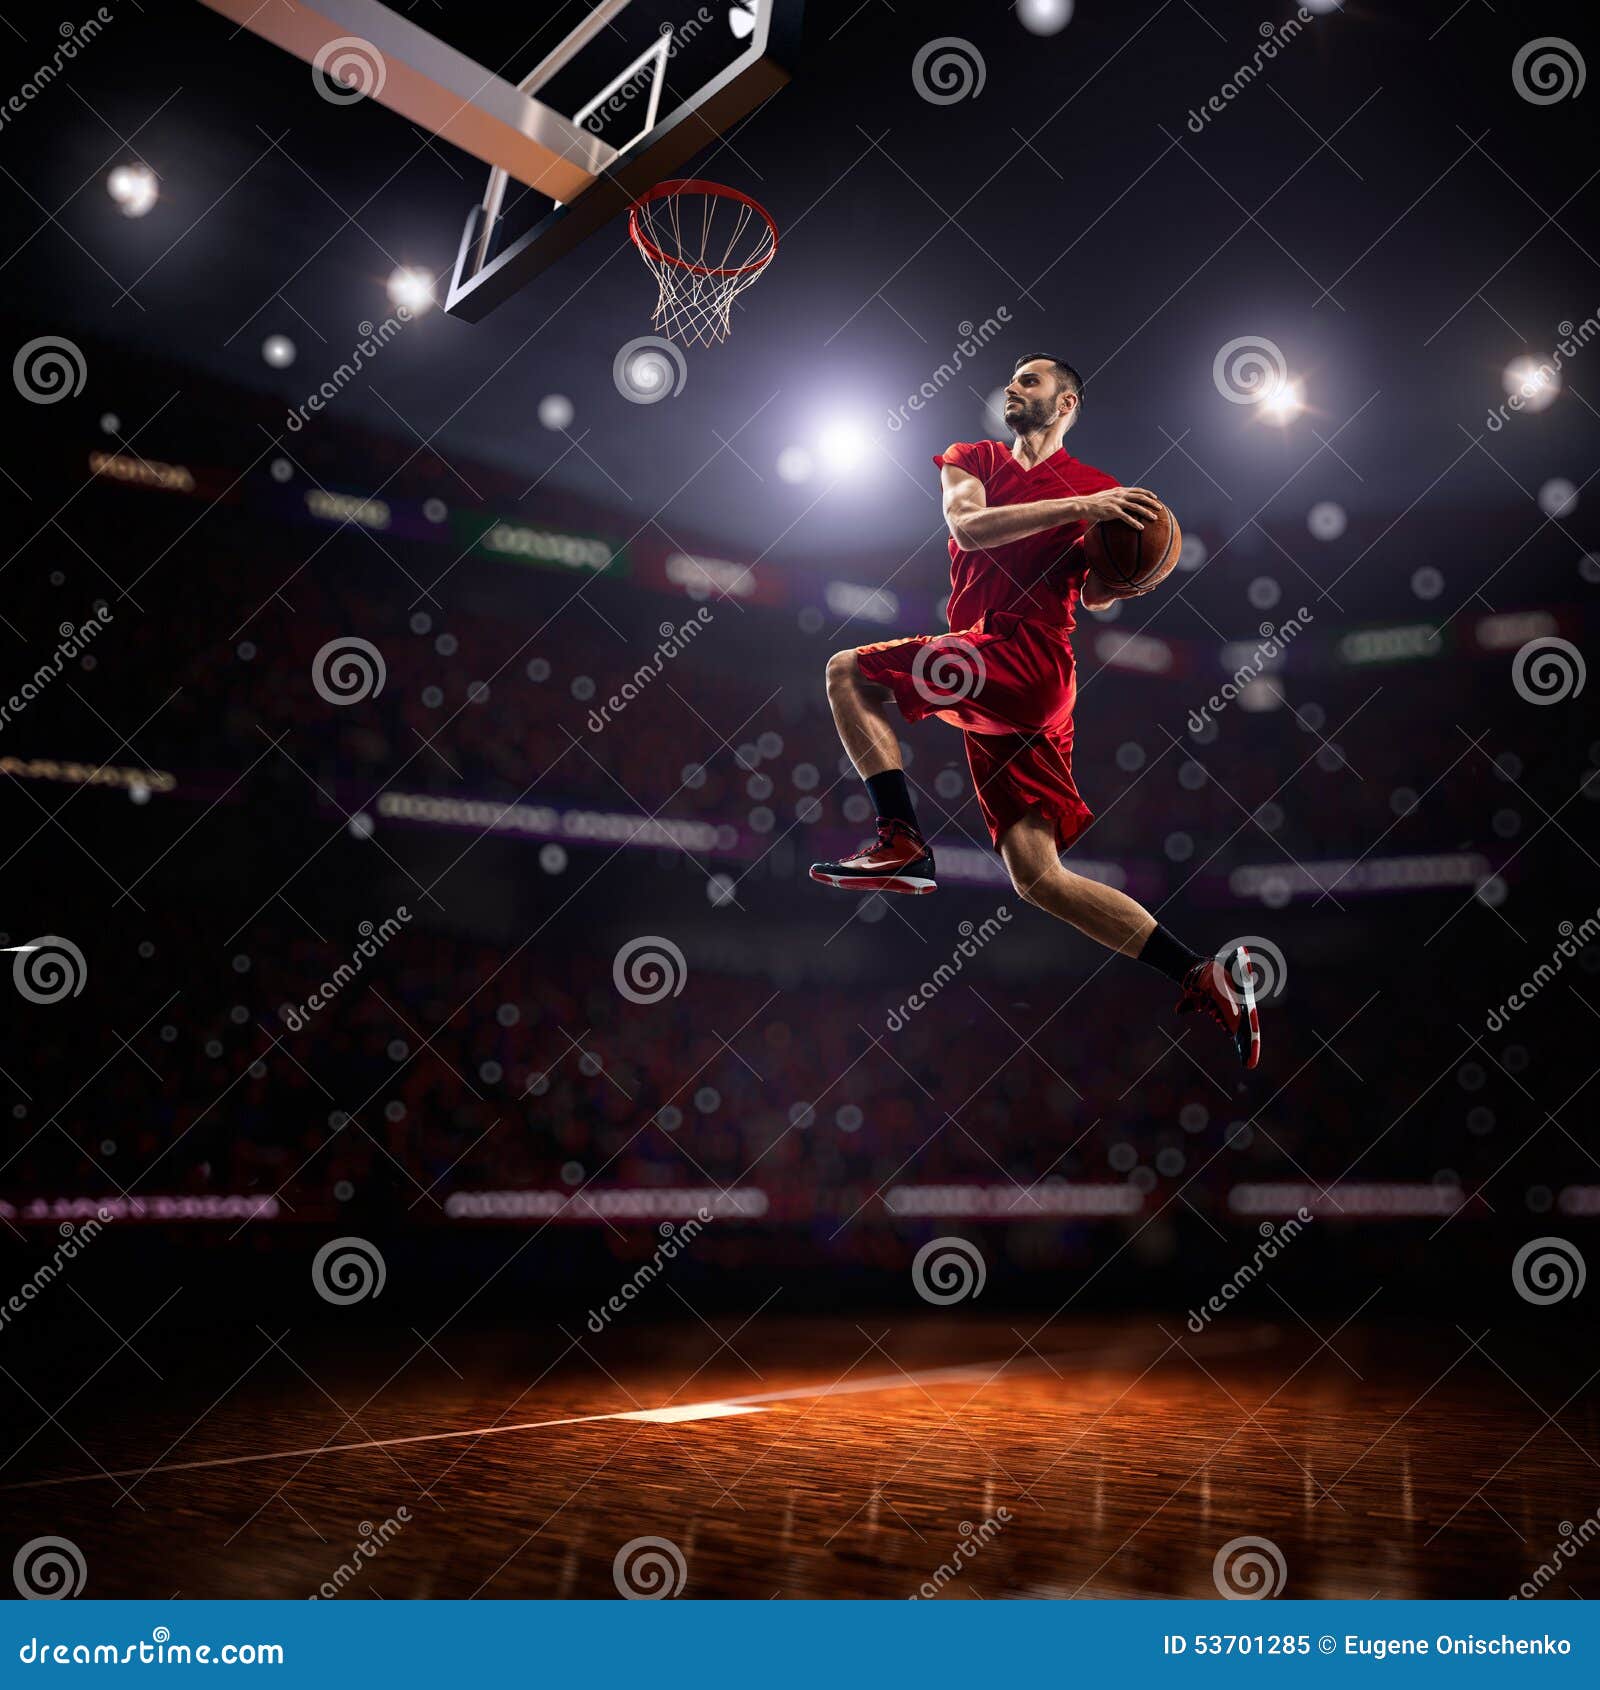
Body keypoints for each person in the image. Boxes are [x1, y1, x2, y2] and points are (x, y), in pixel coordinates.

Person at [809, 353, 1260, 1069]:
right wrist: (1085, 511)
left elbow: (1098, 594)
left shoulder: (1101, 489)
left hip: (1025, 656)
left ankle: (901, 838)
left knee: (846, 672)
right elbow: (967, 527)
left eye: (1031, 380)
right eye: (1013, 380)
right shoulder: (975, 458)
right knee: (1036, 877)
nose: (1014, 388)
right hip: (1003, 674)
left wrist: (1132, 569)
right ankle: (1199, 971)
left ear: (1067, 403)